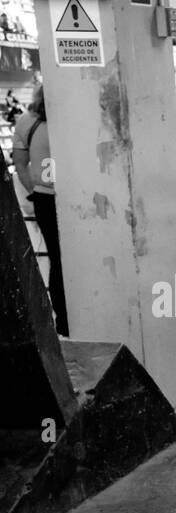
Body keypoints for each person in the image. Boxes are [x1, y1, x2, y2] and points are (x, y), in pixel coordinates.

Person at [12, 85, 67, 337]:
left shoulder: (26, 122)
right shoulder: (70, 117)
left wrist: (33, 190)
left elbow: (20, 164)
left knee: (57, 260)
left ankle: (65, 322)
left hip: (45, 197)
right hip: (73, 196)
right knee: (69, 259)